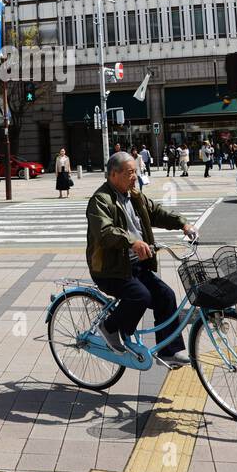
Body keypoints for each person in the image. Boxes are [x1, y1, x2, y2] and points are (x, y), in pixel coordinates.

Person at [86, 151, 197, 367]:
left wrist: (183, 223)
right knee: (141, 296)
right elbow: (106, 232)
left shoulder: (134, 196)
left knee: (166, 295)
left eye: (135, 172)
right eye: (129, 173)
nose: (134, 176)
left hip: (134, 265)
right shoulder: (100, 200)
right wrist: (132, 242)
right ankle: (110, 328)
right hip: (110, 269)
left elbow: (156, 213)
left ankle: (169, 351)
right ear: (113, 175)